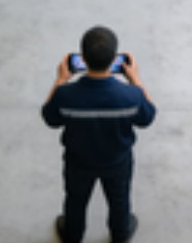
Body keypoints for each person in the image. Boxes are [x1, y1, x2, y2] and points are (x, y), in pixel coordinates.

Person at [42, 26, 156, 243]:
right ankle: (120, 234)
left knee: (76, 199)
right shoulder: (132, 95)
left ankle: (73, 234)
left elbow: (50, 118)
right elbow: (147, 117)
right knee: (119, 199)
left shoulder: (65, 95)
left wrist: (60, 80)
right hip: (117, 162)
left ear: (83, 59)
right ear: (114, 59)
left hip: (78, 162)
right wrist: (136, 80)